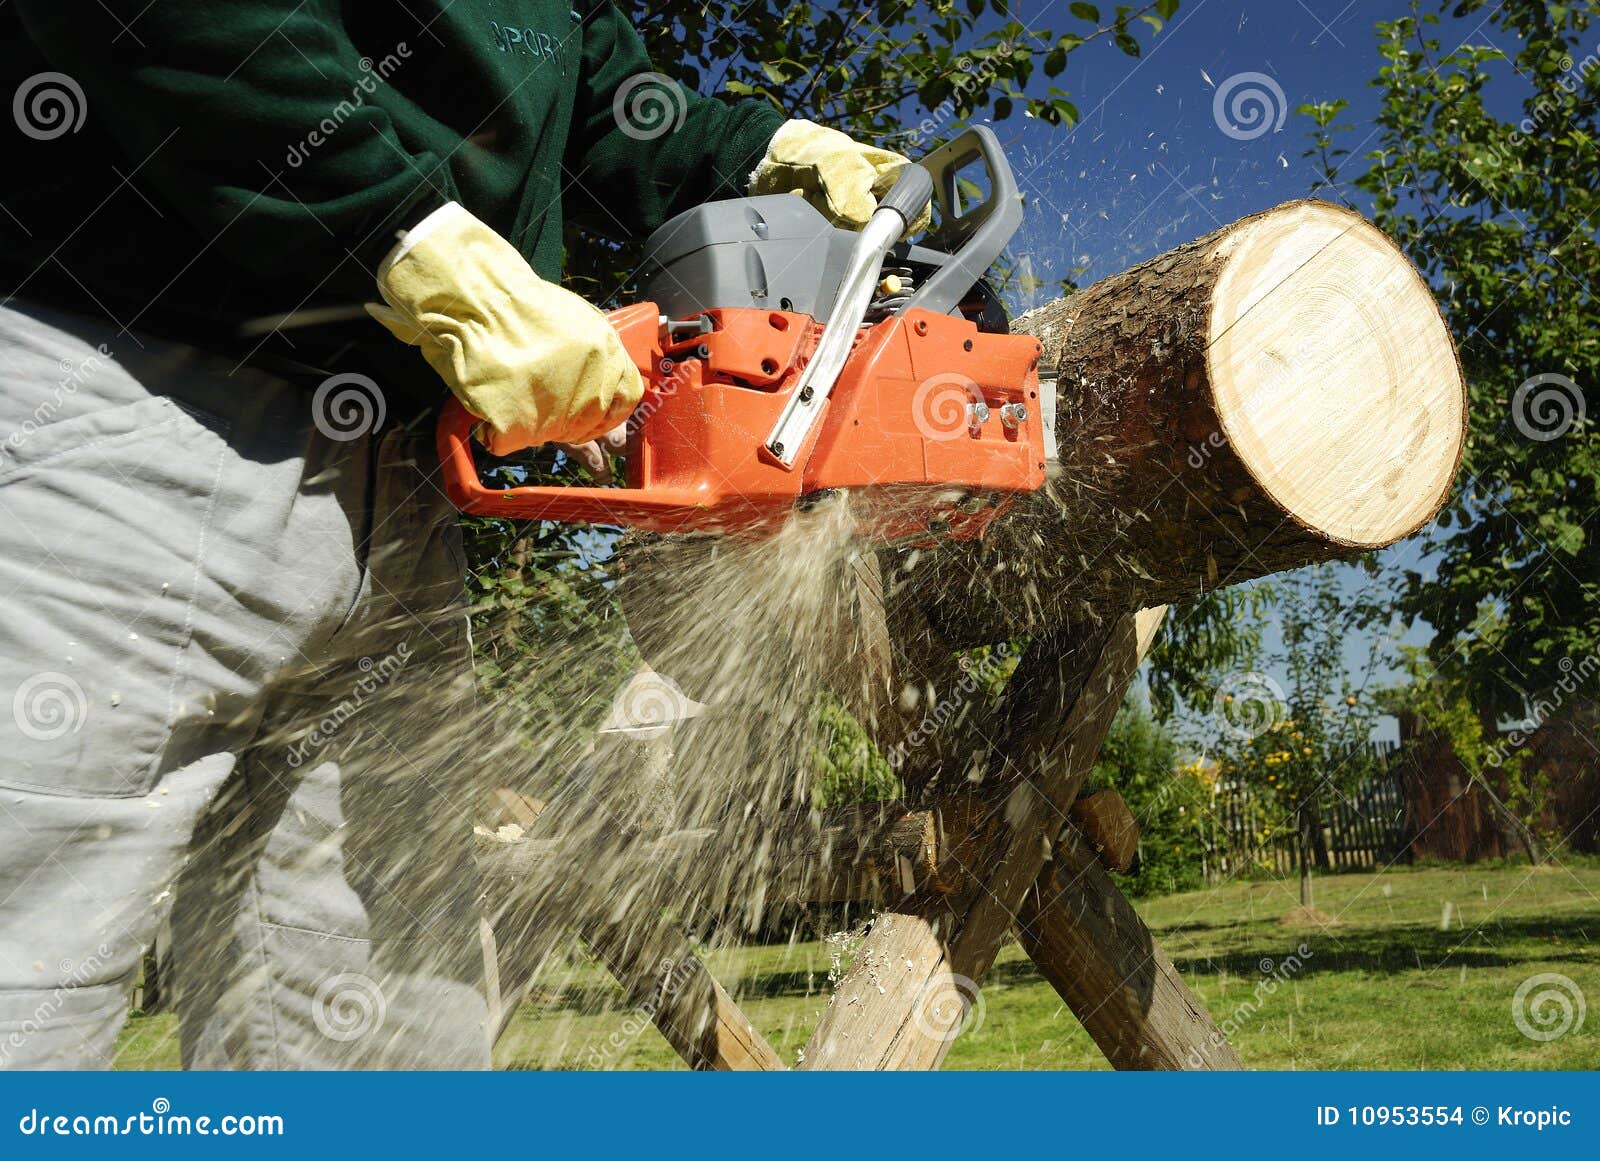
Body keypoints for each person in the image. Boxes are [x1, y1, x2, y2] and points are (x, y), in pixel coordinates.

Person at [0, 1, 921, 1069]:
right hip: (119, 396)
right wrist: (403, 231)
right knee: (32, 968)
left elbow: (598, 96)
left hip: (403, 483)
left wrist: (761, 155)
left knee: (389, 1030)